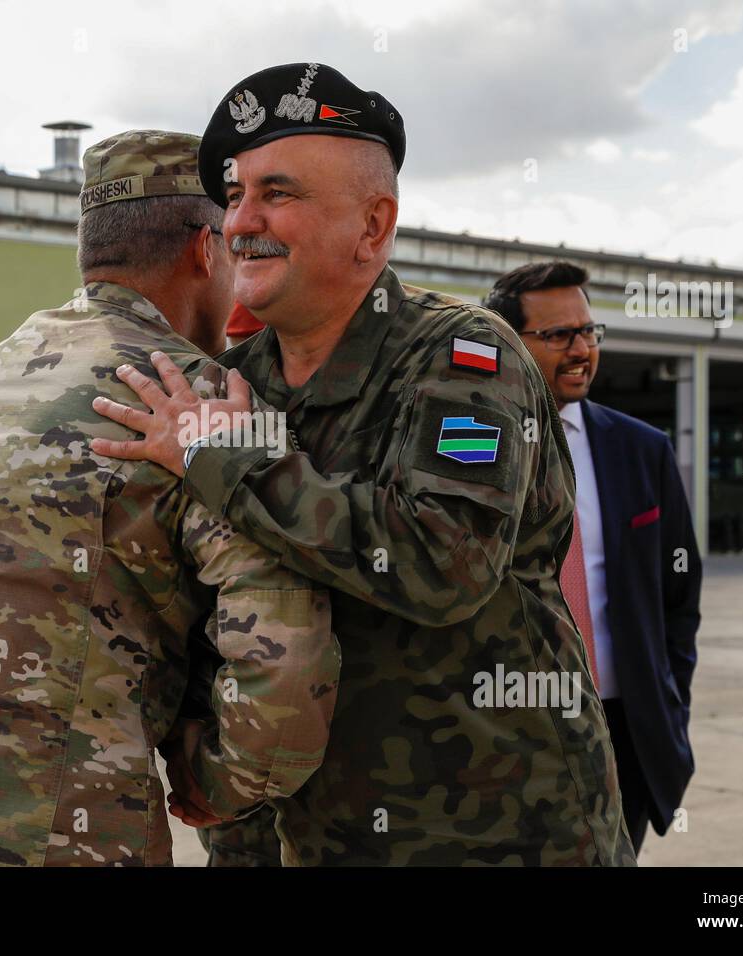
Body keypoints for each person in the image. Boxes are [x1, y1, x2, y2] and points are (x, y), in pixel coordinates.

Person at [92, 63, 634, 866]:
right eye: (235, 195)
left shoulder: (465, 357)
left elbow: (441, 559)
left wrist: (230, 460)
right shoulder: (234, 381)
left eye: (278, 193)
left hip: (488, 832)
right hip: (285, 834)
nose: (242, 221)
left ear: (373, 226)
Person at [0, 131, 340, 867]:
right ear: (204, 252)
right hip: (63, 829)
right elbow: (282, 662)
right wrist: (224, 783)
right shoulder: (205, 404)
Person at [483, 260, 702, 853]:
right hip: (512, 726)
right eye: (559, 335)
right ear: (510, 340)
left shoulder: (642, 449)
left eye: (588, 331)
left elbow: (680, 595)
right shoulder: (476, 443)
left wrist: (668, 699)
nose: (581, 349)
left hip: (625, 726)